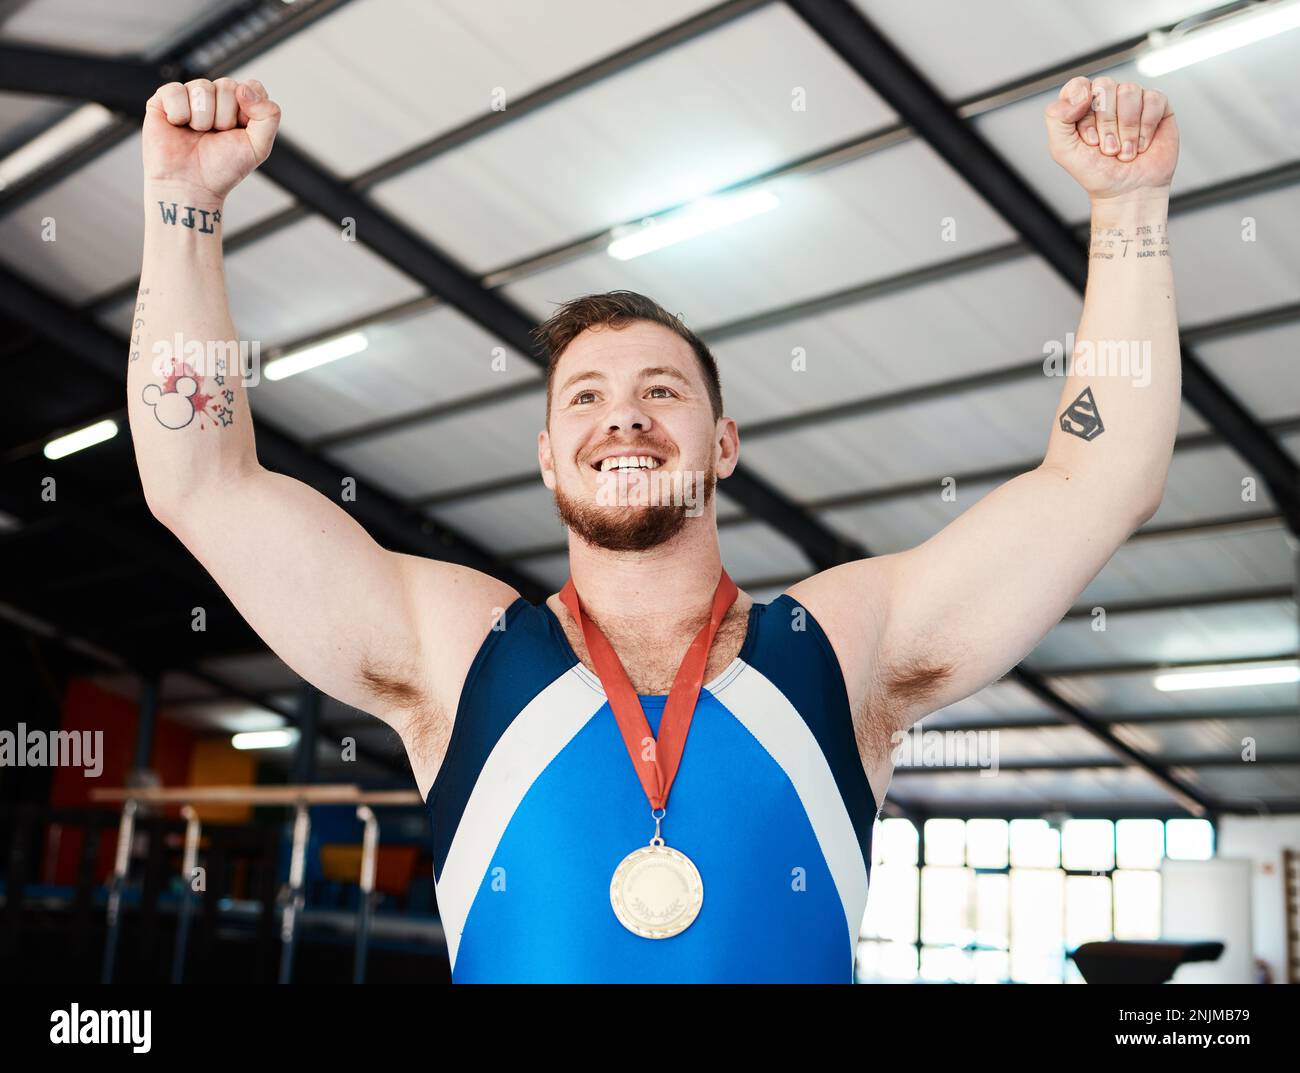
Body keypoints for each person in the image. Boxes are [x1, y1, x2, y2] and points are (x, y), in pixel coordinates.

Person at [128, 74, 1179, 982]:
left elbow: (1097, 481)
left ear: (723, 443)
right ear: (547, 454)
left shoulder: (843, 648)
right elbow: (202, 482)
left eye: (660, 390)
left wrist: (1127, 212)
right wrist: (183, 208)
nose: (621, 416)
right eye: (581, 397)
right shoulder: (455, 649)